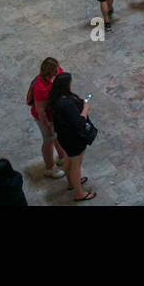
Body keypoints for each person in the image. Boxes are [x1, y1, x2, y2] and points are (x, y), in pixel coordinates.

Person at [48, 72, 96, 201]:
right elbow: (80, 123)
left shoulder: (55, 100)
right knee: (76, 165)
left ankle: (71, 183)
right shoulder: (66, 104)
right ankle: (79, 193)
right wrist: (85, 108)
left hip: (64, 137)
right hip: (74, 139)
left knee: (69, 159)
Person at [26, 57, 67, 179]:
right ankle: (50, 168)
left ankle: (61, 156)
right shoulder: (40, 87)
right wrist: (46, 126)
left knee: (56, 135)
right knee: (48, 140)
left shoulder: (58, 72)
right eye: (55, 71)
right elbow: (41, 111)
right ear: (49, 73)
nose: (57, 72)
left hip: (54, 114)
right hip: (45, 118)